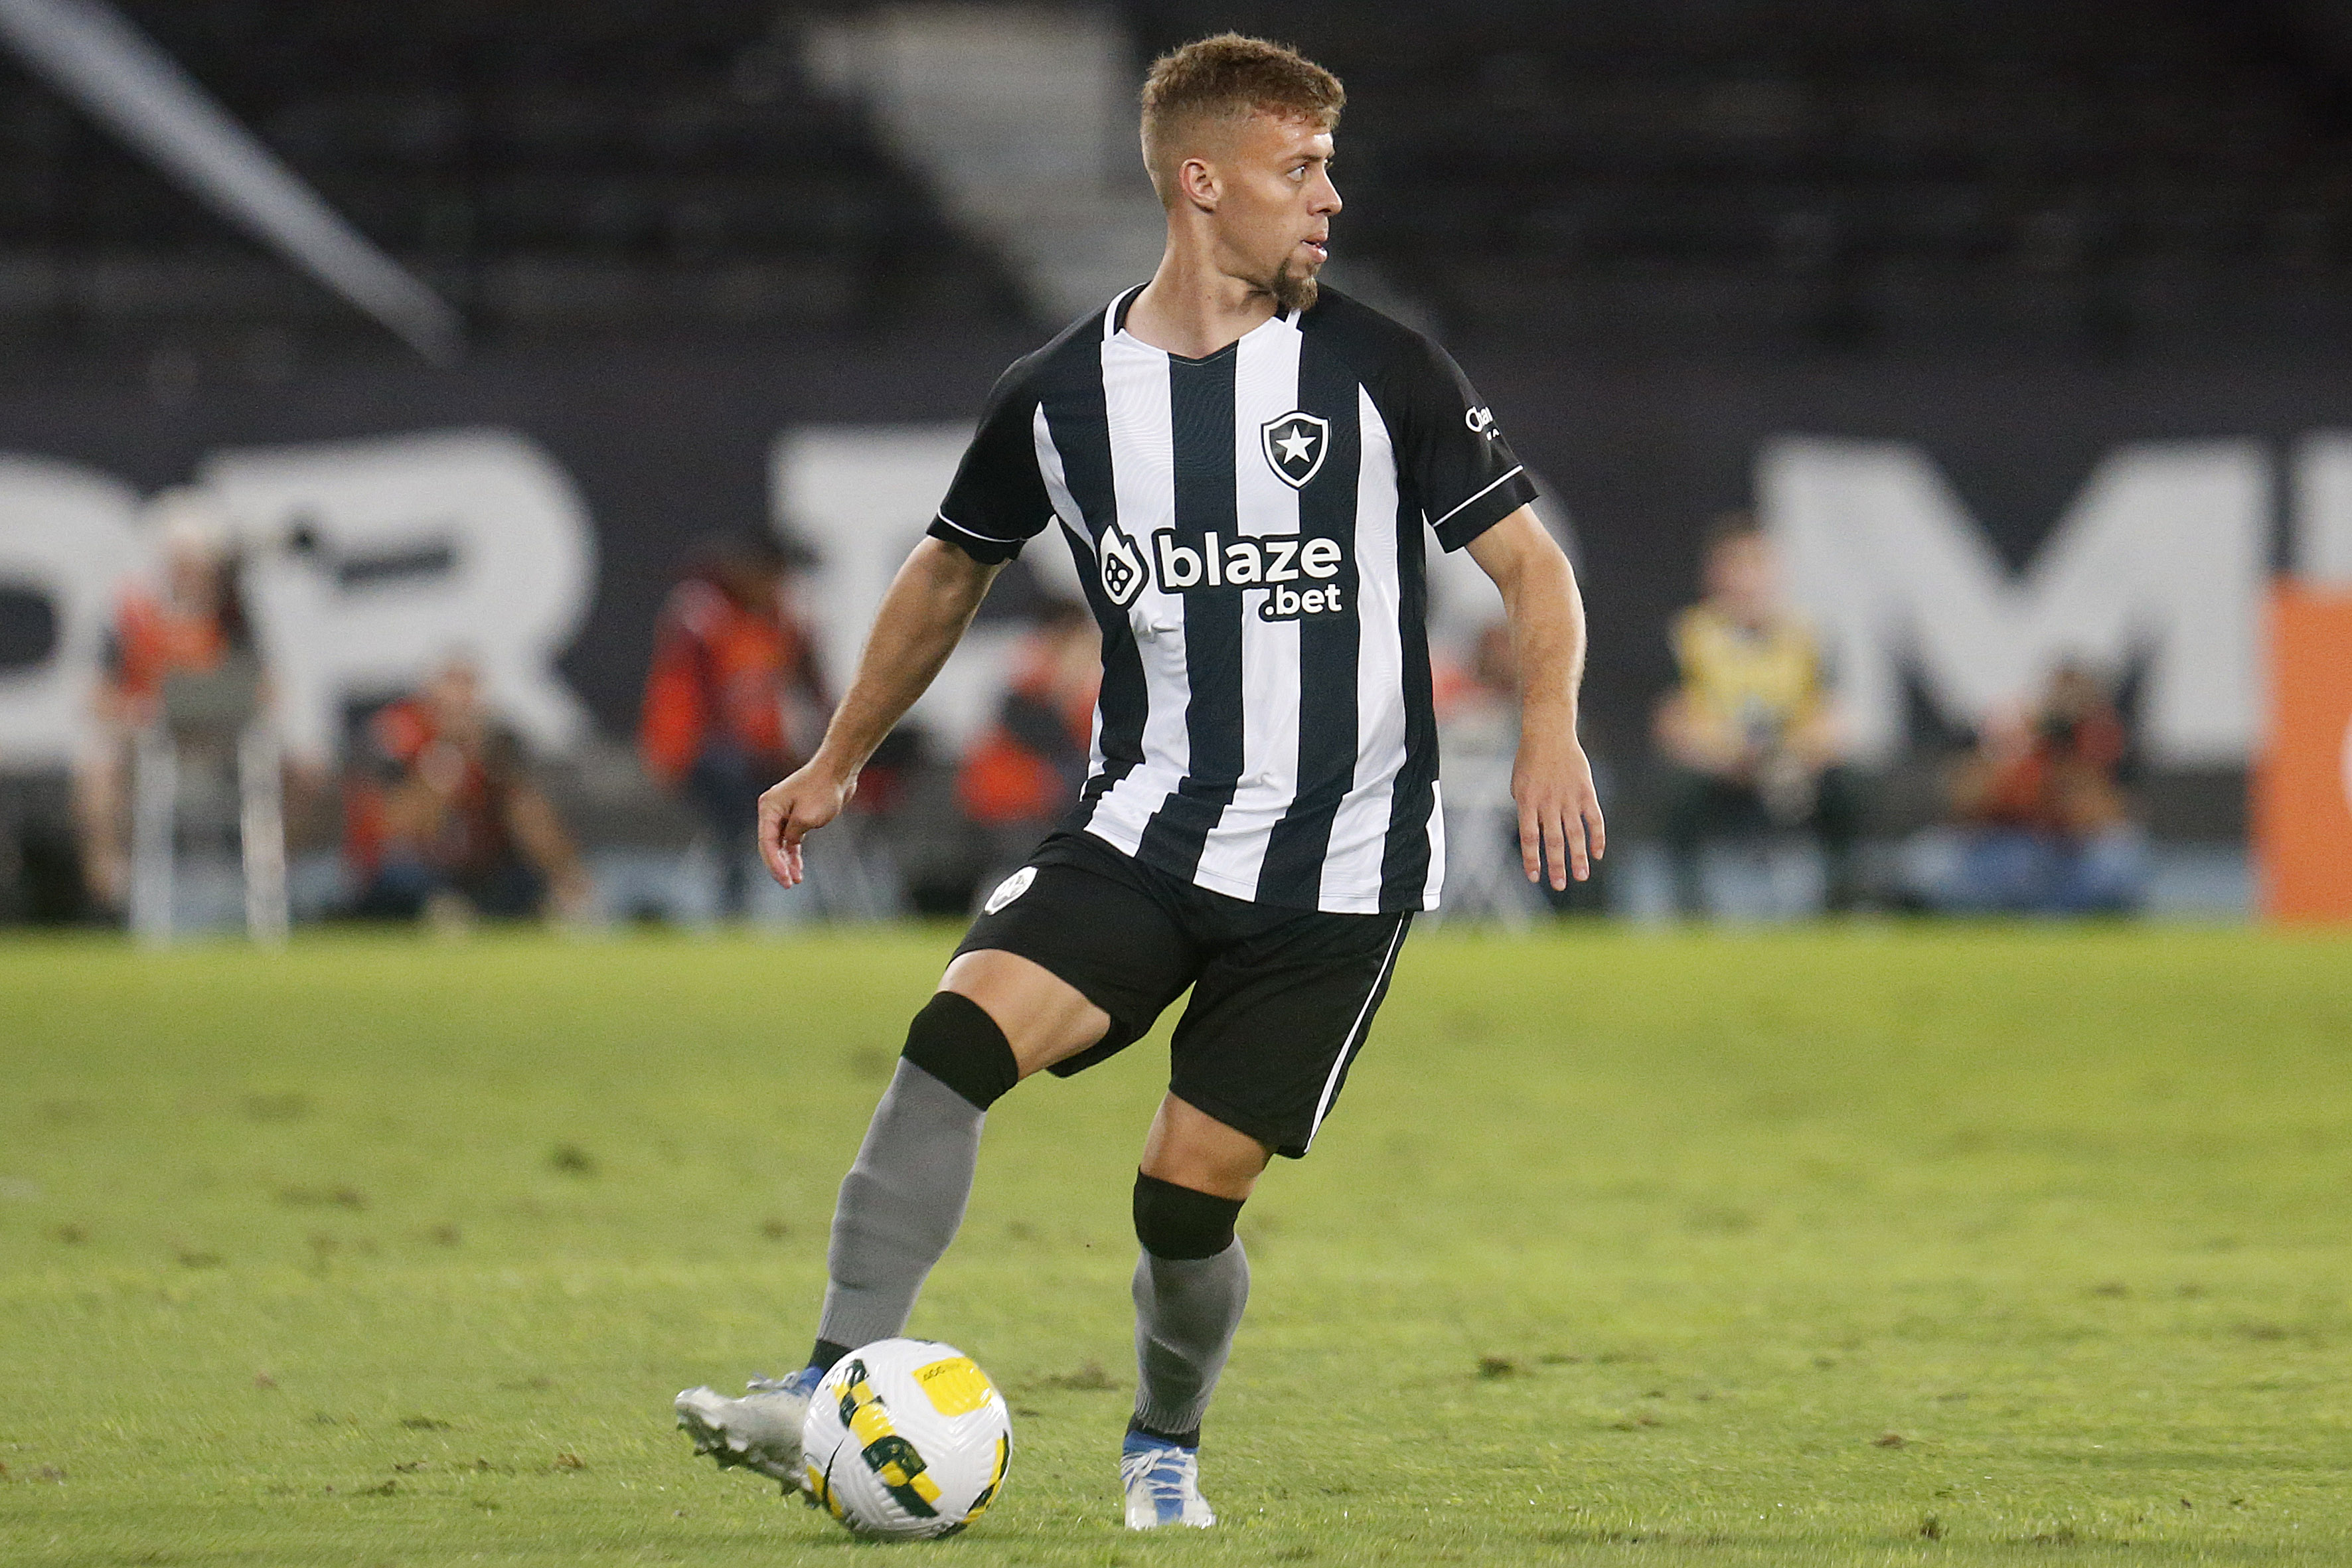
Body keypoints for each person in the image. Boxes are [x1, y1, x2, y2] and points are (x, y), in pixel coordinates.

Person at [672, 34, 1604, 1531]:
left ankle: (1162, 1437)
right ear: (1201, 181)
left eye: (1327, 169)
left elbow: (1528, 564)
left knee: (1181, 1202)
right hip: (1141, 832)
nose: (1329, 200)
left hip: (1333, 871)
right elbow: (943, 570)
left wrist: (1549, 726)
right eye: (1300, 170)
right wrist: (835, 754)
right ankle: (821, 1377)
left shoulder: (1381, 367)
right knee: (949, 1039)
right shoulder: (1057, 393)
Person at [1652, 512, 1861, 913]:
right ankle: (1689, 905)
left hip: (1790, 765)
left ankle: (1846, 901)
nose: (1748, 579)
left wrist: (1789, 758)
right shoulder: (1690, 634)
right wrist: (1733, 760)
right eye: (1737, 565)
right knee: (1678, 788)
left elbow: (1831, 720)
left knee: (1849, 786)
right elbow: (1673, 724)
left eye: (1758, 565)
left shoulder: (1806, 635)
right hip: (1719, 768)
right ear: (1714, 574)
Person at [72, 491, 257, 919]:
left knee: (303, 771)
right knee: (98, 776)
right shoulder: (134, 614)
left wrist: (216, 704)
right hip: (147, 747)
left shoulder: (233, 619)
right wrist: (134, 713)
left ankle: (284, 890)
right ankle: (111, 904)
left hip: (219, 749)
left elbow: (263, 690)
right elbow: (98, 697)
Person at [639, 536, 830, 917]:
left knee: (794, 786)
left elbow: (813, 684)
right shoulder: (707, 615)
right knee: (735, 786)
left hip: (749, 751)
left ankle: (801, 901)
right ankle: (734, 900)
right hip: (693, 747)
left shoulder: (776, 622)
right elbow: (715, 706)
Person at [345, 656, 592, 924]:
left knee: (526, 863)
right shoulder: (400, 732)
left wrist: (565, 873)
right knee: (404, 877)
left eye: (468, 691)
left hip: (480, 869)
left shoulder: (494, 742)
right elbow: (393, 826)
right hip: (412, 870)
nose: (459, 705)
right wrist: (445, 762)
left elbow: (529, 814)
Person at [1911, 660, 2146, 914]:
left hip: (2072, 860)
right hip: (2010, 848)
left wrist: (2062, 778)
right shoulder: (2017, 739)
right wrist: (2015, 758)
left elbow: (2102, 820)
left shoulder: (2099, 747)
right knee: (1929, 862)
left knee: (2120, 862)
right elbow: (1962, 805)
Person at [955, 599, 1099, 896]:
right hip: (1008, 802)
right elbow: (1051, 738)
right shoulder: (1029, 683)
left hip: (1037, 803)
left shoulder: (1057, 687)